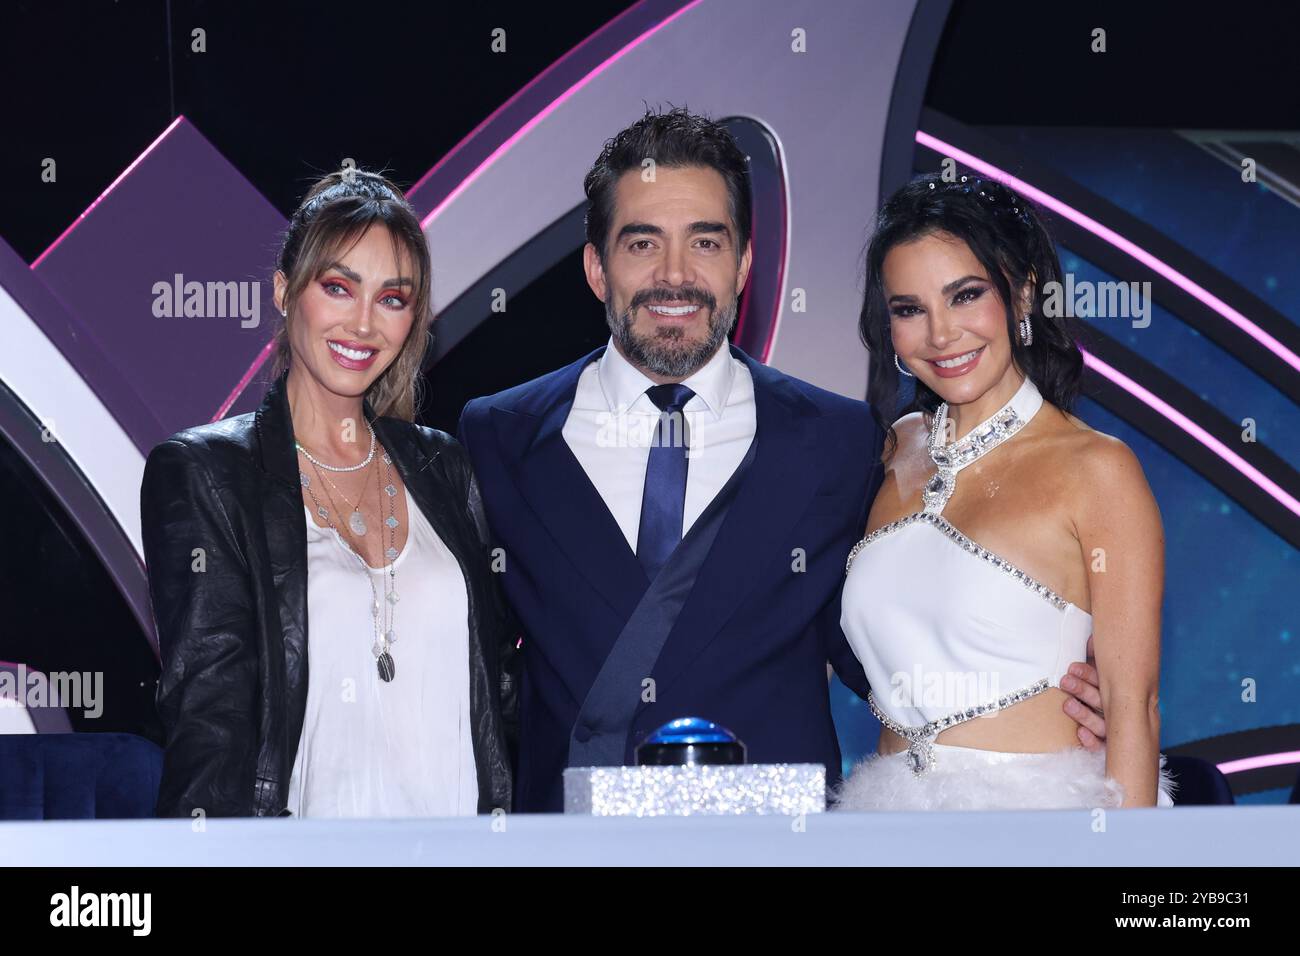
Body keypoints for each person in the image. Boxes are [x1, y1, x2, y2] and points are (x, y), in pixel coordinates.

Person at [460, 108, 1109, 812]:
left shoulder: (840, 440)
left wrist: (1047, 689)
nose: (674, 275)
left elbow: (887, 634)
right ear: (596, 267)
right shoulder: (501, 437)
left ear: (742, 264)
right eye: (642, 243)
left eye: (705, 242)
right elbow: (461, 658)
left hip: (779, 846)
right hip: (569, 851)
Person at [141, 170, 516, 818]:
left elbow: (501, 699)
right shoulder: (206, 474)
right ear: (285, 292)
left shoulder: (446, 467)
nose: (364, 323)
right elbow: (212, 730)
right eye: (339, 287)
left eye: (393, 299)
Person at [834, 173, 1176, 810]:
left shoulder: (1097, 469)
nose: (941, 335)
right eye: (910, 309)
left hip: (1038, 831)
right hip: (884, 829)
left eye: (965, 296)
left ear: (1020, 296)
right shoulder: (894, 448)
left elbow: (1134, 714)